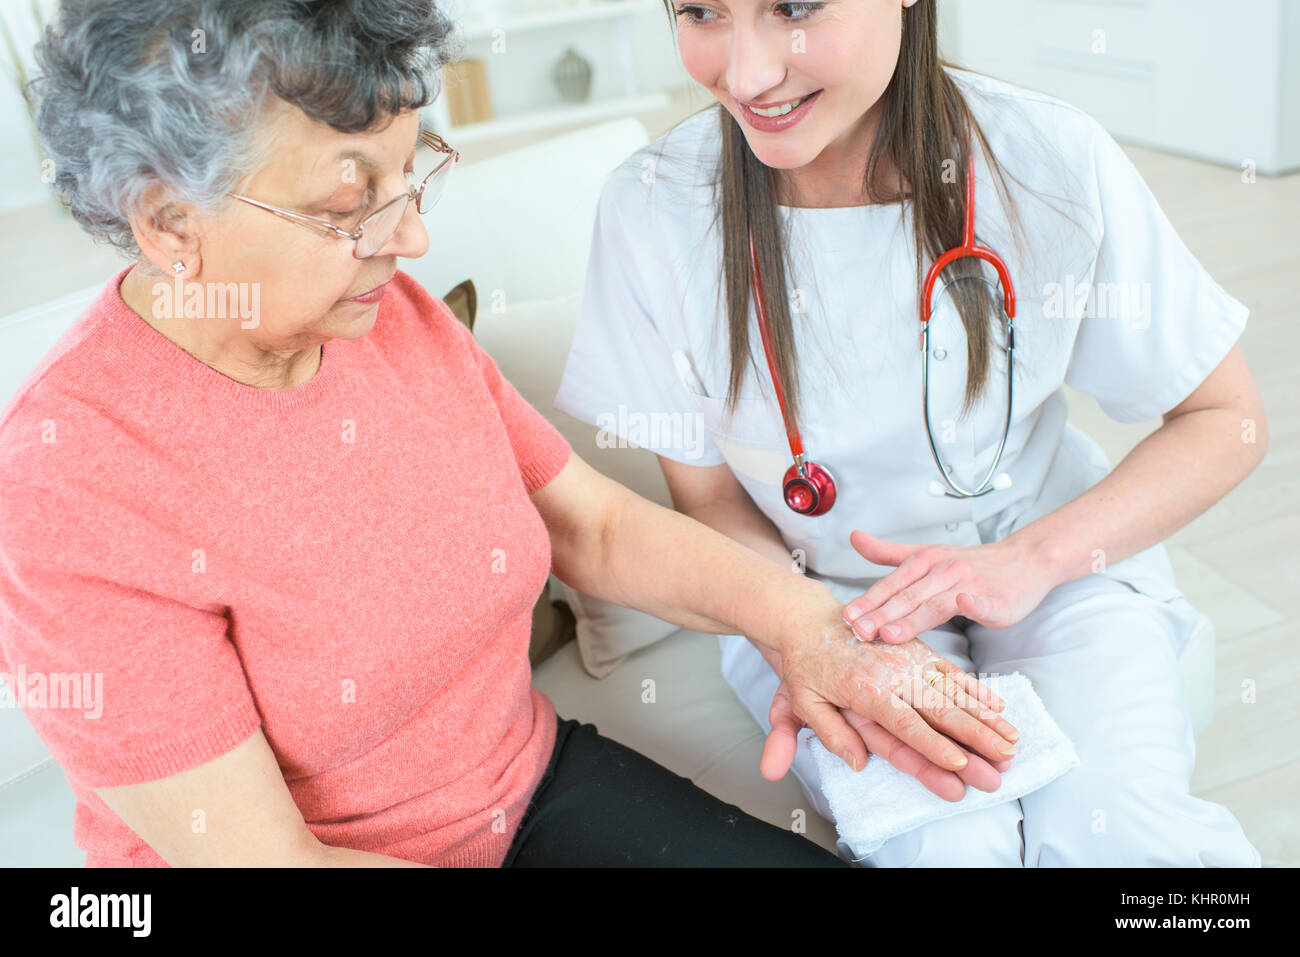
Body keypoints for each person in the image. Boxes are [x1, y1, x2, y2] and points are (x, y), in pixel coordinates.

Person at [0, 0, 1019, 868]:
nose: (410, 238)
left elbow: (592, 528)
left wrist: (805, 627)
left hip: (532, 790)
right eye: (350, 202)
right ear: (168, 222)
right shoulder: (72, 483)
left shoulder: (386, 314)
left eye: (410, 174)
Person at [554, 0, 1266, 866]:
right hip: (821, 598)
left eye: (794, 7)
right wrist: (808, 635)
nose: (746, 76)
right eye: (702, 11)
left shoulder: (1047, 159)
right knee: (946, 844)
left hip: (1046, 556)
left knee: (1127, 835)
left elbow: (1227, 420)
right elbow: (705, 499)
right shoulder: (654, 208)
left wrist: (1033, 560)